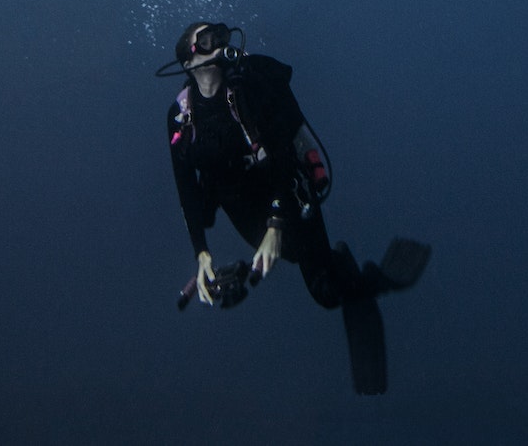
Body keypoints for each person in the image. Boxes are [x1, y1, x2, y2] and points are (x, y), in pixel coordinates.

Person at [165, 21, 428, 395]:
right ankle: (327, 266)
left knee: (323, 290)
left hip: (286, 191)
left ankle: (368, 279)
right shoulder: (179, 116)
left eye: (221, 34)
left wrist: (275, 224)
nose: (220, 44)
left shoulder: (247, 90)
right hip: (241, 207)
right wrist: (202, 253)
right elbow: (186, 190)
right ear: (188, 58)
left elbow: (282, 161)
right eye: (208, 40)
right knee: (288, 259)